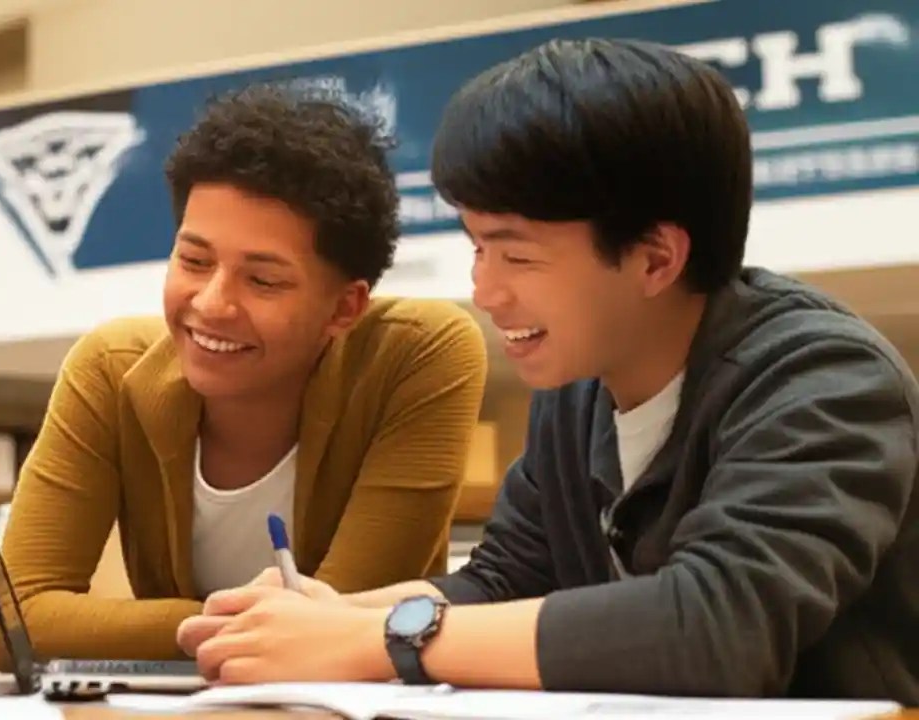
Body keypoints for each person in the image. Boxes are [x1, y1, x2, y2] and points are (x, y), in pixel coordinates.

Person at [177, 39, 919, 705]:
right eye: (477, 249)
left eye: (517, 255)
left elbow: (718, 626)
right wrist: (333, 616)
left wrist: (374, 641)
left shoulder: (825, 379)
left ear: (656, 258)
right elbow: (500, 582)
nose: (485, 291)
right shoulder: (577, 392)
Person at [0, 85, 488, 666]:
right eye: (193, 261)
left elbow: (342, 626)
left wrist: (177, 627)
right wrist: (227, 623)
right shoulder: (111, 369)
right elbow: (13, 620)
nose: (212, 303)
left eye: (263, 280)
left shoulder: (418, 354)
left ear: (344, 308)